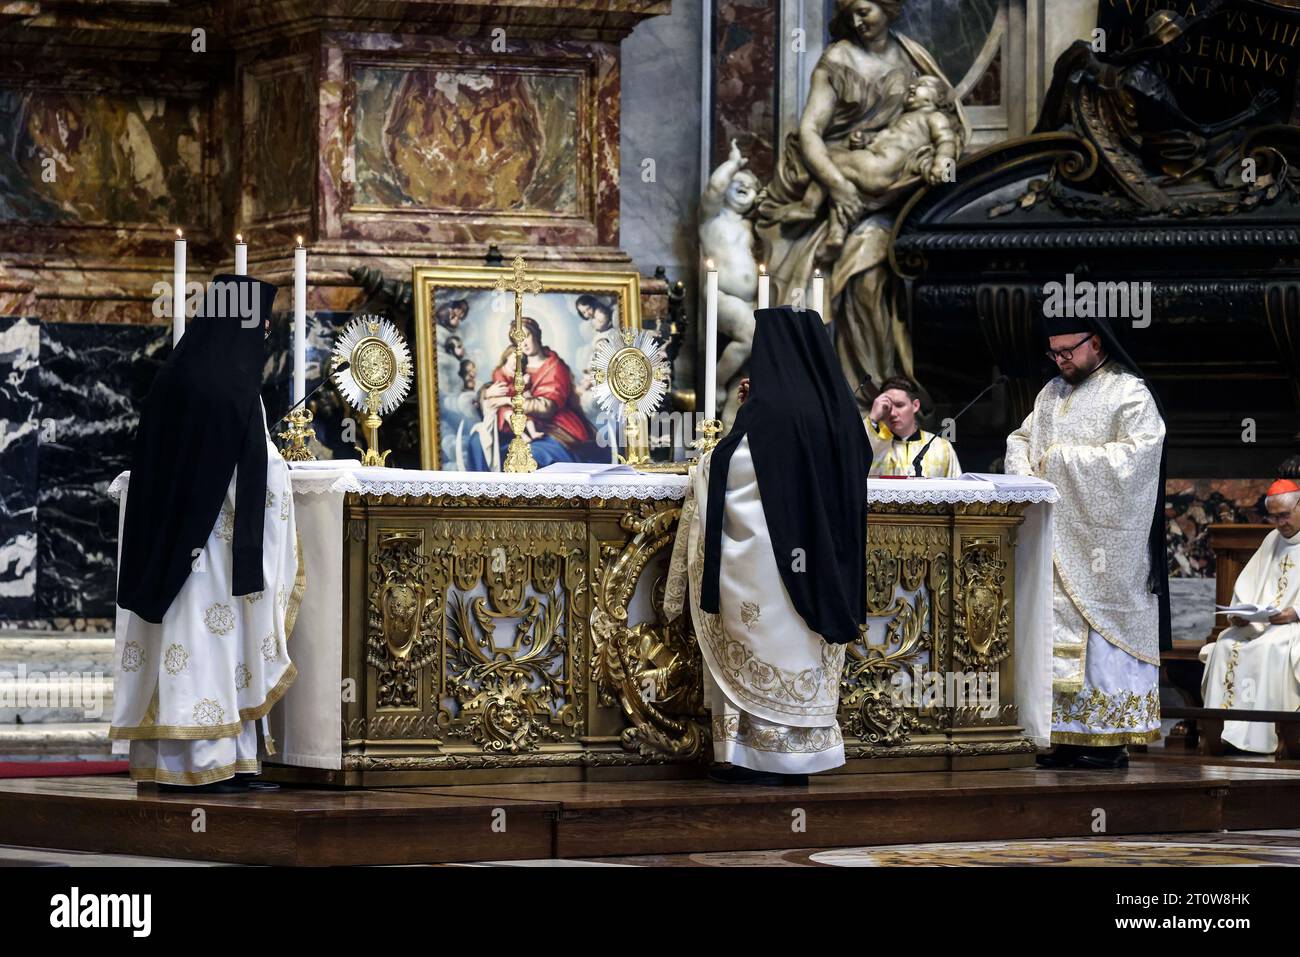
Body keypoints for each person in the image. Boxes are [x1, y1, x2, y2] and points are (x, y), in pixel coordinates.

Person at [112, 275, 302, 792]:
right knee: (211, 653)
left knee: (182, 651)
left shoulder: (177, 371)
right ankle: (205, 764)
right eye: (263, 327)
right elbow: (257, 474)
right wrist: (284, 468)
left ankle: (203, 762)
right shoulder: (234, 384)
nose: (265, 336)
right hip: (213, 550)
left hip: (171, 544)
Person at [666, 305, 868, 786]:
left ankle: (762, 761)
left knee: (766, 648)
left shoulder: (770, 412)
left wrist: (739, 424)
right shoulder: (837, 409)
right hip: (821, 569)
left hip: (770, 568)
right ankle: (801, 760)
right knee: (801, 653)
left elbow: (732, 469)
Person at [1006, 315, 1170, 770]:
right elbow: (1021, 437)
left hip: (1106, 551)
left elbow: (1137, 458)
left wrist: (1058, 462)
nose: (1060, 360)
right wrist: (1023, 467)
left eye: (1067, 351)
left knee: (1100, 643)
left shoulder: (1129, 393)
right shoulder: (1050, 393)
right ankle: (1061, 735)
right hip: (1056, 539)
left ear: (1095, 343)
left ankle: (1107, 742)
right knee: (1051, 633)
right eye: (1053, 353)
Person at [796, 76, 961, 252]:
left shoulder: (935, 117)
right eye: (912, 85)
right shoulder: (901, 118)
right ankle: (836, 235)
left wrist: (943, 168)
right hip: (875, 166)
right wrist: (863, 140)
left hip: (879, 166)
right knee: (842, 191)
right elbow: (883, 138)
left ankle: (808, 207)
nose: (912, 88)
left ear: (939, 97)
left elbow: (947, 142)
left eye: (921, 85)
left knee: (828, 161)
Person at [1198, 479, 1300, 753]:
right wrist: (1241, 613)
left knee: (1271, 649)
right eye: (1274, 517)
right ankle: (1222, 733)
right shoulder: (1272, 539)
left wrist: (1295, 612)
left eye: (1284, 515)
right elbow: (1247, 585)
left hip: (1294, 625)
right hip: (1264, 622)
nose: (1280, 523)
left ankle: (1268, 738)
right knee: (1225, 645)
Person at [467, 316, 599, 470]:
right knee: (478, 441)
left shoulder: (555, 367)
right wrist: (488, 393)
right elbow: (499, 389)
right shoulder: (515, 365)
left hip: (553, 428)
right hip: (517, 425)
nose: (523, 344)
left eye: (526, 336)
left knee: (528, 457)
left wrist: (507, 401)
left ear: (536, 334)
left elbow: (546, 407)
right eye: (518, 341)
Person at [865, 375, 960, 477]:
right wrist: (873, 418)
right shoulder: (873, 447)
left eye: (899, 405)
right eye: (887, 407)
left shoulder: (941, 447)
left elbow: (957, 485)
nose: (892, 413)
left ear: (915, 405)